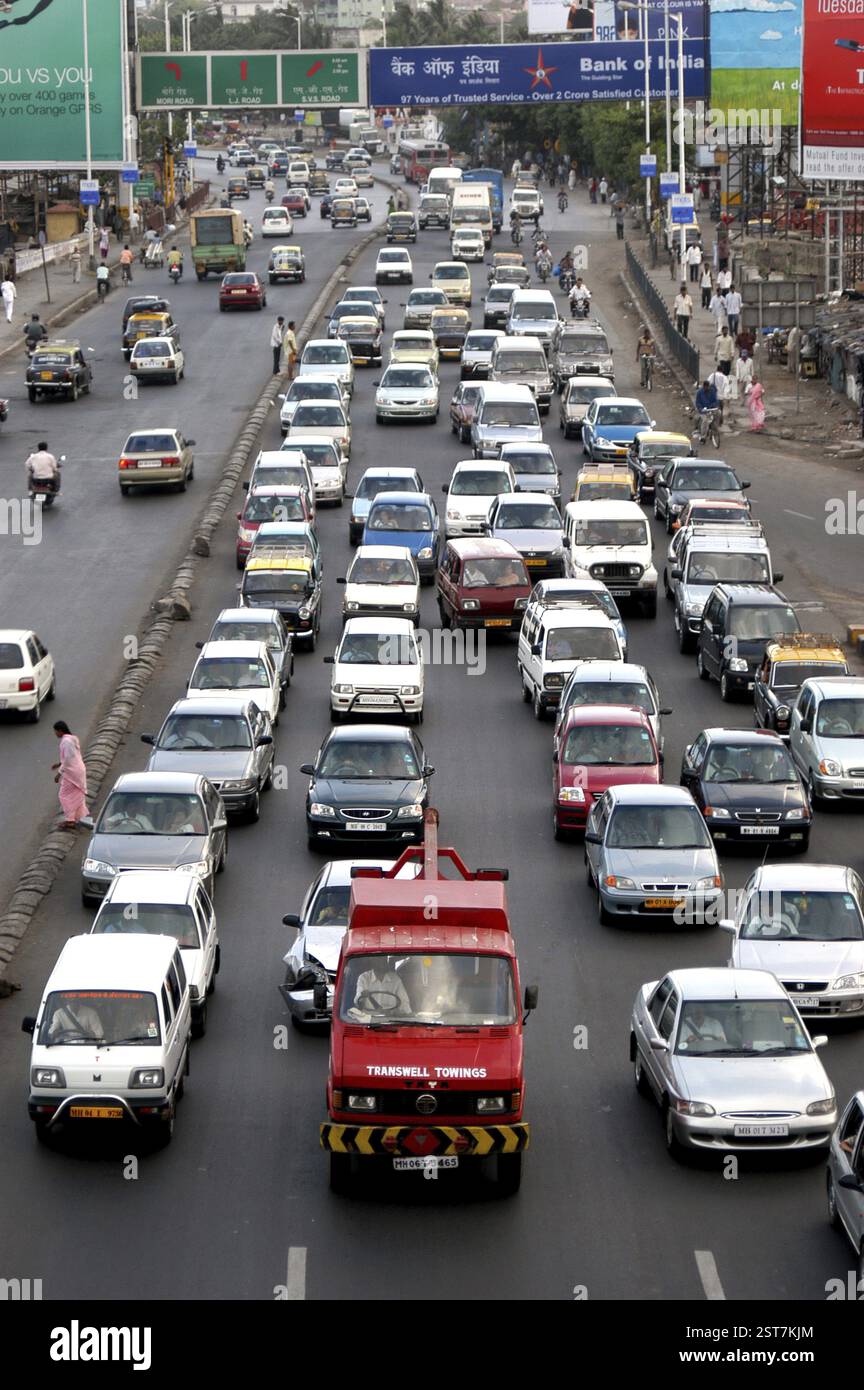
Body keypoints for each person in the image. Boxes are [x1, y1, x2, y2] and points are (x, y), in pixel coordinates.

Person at [52, 720, 92, 830]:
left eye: (55, 731)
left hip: (73, 773)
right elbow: (69, 757)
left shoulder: (66, 742)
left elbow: (68, 759)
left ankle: (70, 820)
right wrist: (59, 763)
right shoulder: (72, 739)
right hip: (77, 770)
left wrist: (59, 773)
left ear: (60, 731)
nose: (55, 734)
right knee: (76, 794)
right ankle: (79, 817)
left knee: (64, 795)